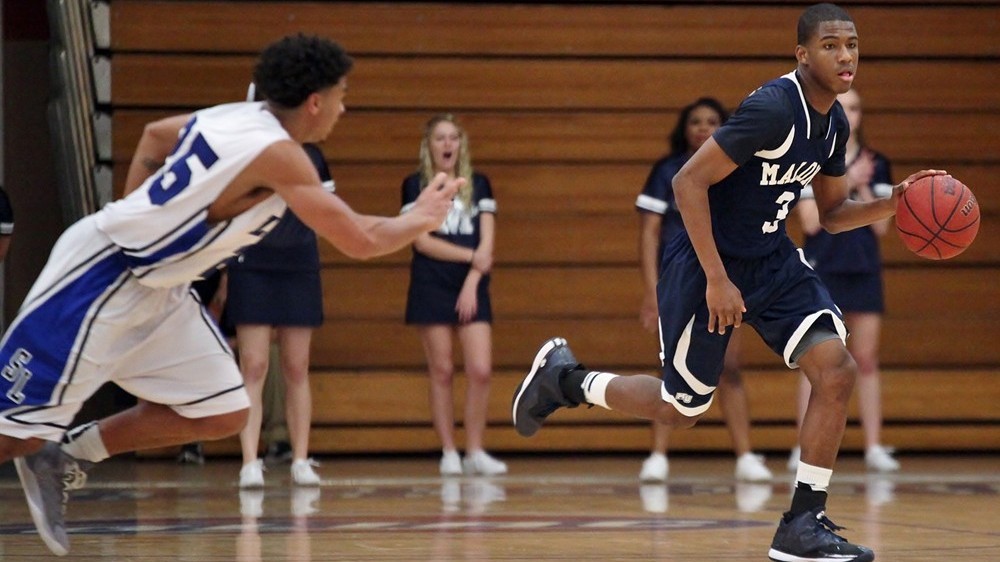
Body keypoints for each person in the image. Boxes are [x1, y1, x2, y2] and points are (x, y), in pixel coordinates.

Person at [0, 33, 461, 557]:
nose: (342, 107)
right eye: (341, 95)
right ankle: (43, 447)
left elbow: (154, 137)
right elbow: (360, 239)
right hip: (100, 278)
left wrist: (144, 211)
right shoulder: (282, 156)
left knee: (222, 412)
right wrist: (419, 218)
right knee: (14, 433)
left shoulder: (234, 115)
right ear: (315, 102)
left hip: (161, 290)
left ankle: (69, 454)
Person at [512, 5, 944, 561]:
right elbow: (688, 182)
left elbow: (832, 215)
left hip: (771, 258)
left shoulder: (833, 122)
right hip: (704, 261)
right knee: (681, 408)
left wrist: (896, 202)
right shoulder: (771, 108)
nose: (845, 56)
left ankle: (801, 524)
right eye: (831, 45)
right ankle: (567, 381)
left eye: (853, 45)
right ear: (803, 54)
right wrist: (717, 280)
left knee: (836, 371)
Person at [636, 97, 771, 483]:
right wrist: (651, 291)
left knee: (730, 369)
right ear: (685, 127)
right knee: (672, 371)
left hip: (726, 281)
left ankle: (745, 455)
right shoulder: (667, 171)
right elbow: (648, 233)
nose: (703, 127)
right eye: (695, 121)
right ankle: (658, 456)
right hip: (681, 281)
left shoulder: (737, 169)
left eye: (712, 121)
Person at [788, 88, 899, 473]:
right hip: (822, 268)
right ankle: (802, 446)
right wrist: (849, 180)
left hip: (863, 267)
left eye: (854, 107)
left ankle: (873, 446)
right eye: (842, 107)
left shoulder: (878, 164)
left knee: (866, 359)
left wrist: (864, 185)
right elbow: (810, 222)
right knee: (817, 362)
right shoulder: (811, 162)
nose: (848, 114)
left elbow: (883, 226)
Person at [401, 114, 506, 476]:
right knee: (441, 369)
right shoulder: (415, 185)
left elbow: (487, 244)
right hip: (431, 282)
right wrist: (468, 256)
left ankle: (475, 449)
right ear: (428, 146)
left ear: (461, 145)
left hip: (472, 286)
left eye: (454, 138)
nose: (447, 144)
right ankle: (448, 451)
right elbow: (421, 240)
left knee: (480, 369)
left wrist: (472, 279)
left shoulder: (480, 184)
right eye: (440, 138)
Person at [230, 140, 332, 488]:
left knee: (295, 365)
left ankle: (301, 459)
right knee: (254, 365)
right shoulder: (251, 149)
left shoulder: (314, 155)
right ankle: (249, 462)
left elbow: (326, 209)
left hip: (299, 265)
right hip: (253, 264)